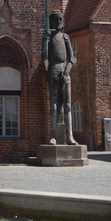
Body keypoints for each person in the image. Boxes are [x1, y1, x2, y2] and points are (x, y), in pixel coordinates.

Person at [41, 10, 77, 145]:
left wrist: (67, 71)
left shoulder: (65, 37)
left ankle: (70, 136)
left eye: (61, 19)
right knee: (54, 104)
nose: (60, 22)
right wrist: (45, 39)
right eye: (57, 20)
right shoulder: (49, 37)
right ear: (52, 22)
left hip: (64, 69)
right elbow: (44, 56)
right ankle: (53, 135)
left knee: (67, 104)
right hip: (53, 69)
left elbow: (72, 57)